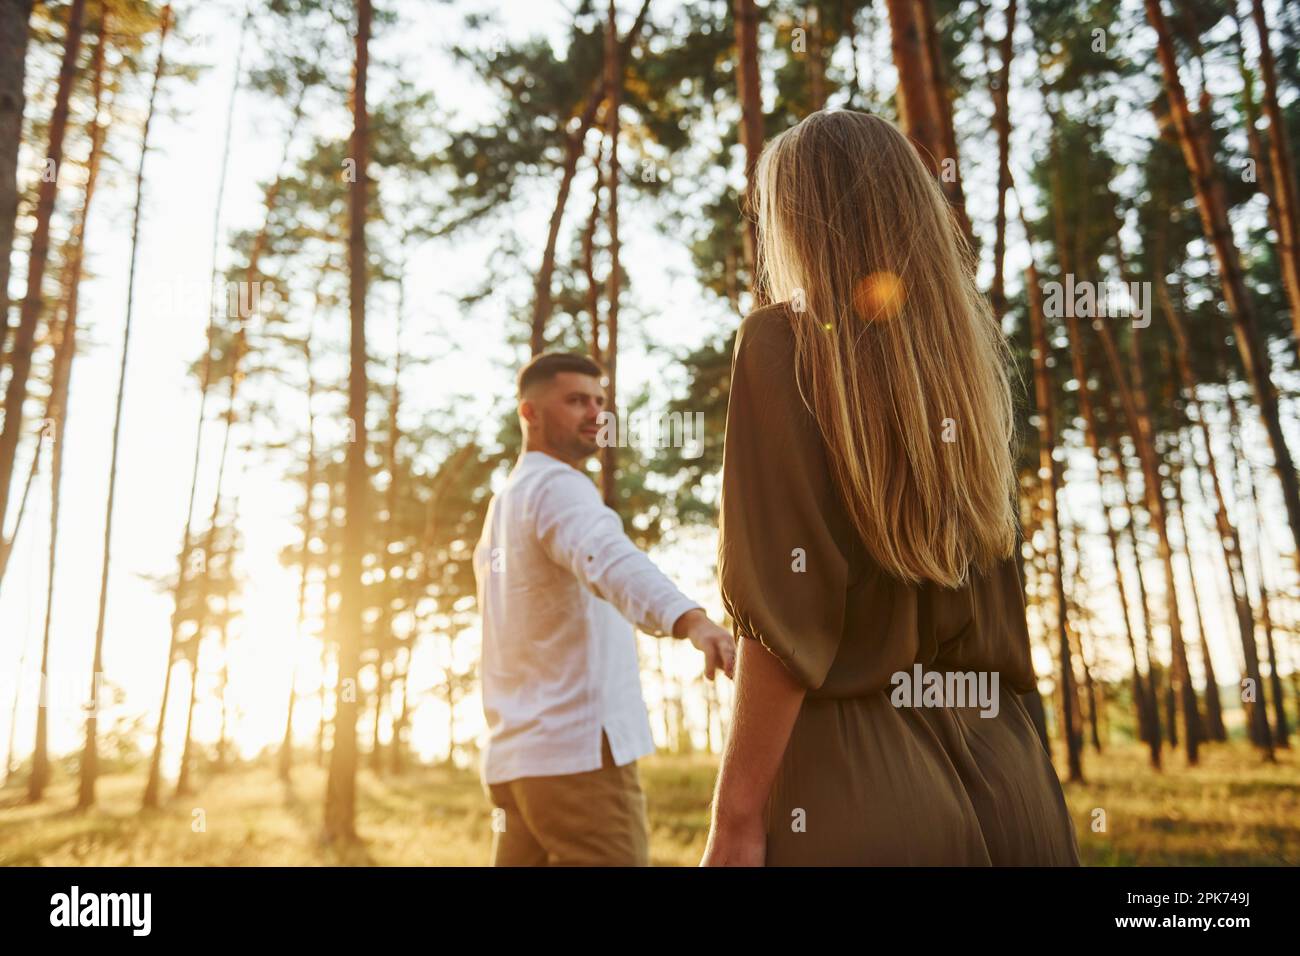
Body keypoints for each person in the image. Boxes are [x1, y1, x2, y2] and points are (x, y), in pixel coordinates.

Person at [700, 109, 1081, 866]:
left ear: (800, 223)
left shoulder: (780, 345)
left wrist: (736, 818)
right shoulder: (968, 370)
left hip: (859, 786)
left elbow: (783, 612)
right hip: (1013, 776)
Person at [474, 352, 735, 866]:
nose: (595, 413)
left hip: (519, 765)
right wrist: (691, 620)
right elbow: (609, 558)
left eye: (599, 400)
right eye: (575, 401)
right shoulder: (557, 488)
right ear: (529, 413)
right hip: (578, 760)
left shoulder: (506, 503)